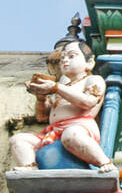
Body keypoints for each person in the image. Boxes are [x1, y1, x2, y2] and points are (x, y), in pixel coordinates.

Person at [11, 40, 112, 171]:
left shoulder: (93, 80)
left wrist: (56, 87)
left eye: (71, 56)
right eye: (62, 58)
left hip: (79, 128)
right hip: (53, 131)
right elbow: (42, 117)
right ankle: (30, 166)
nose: (65, 61)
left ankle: (104, 162)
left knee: (71, 135)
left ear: (89, 62)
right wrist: (41, 98)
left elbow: (88, 102)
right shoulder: (63, 85)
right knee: (18, 140)